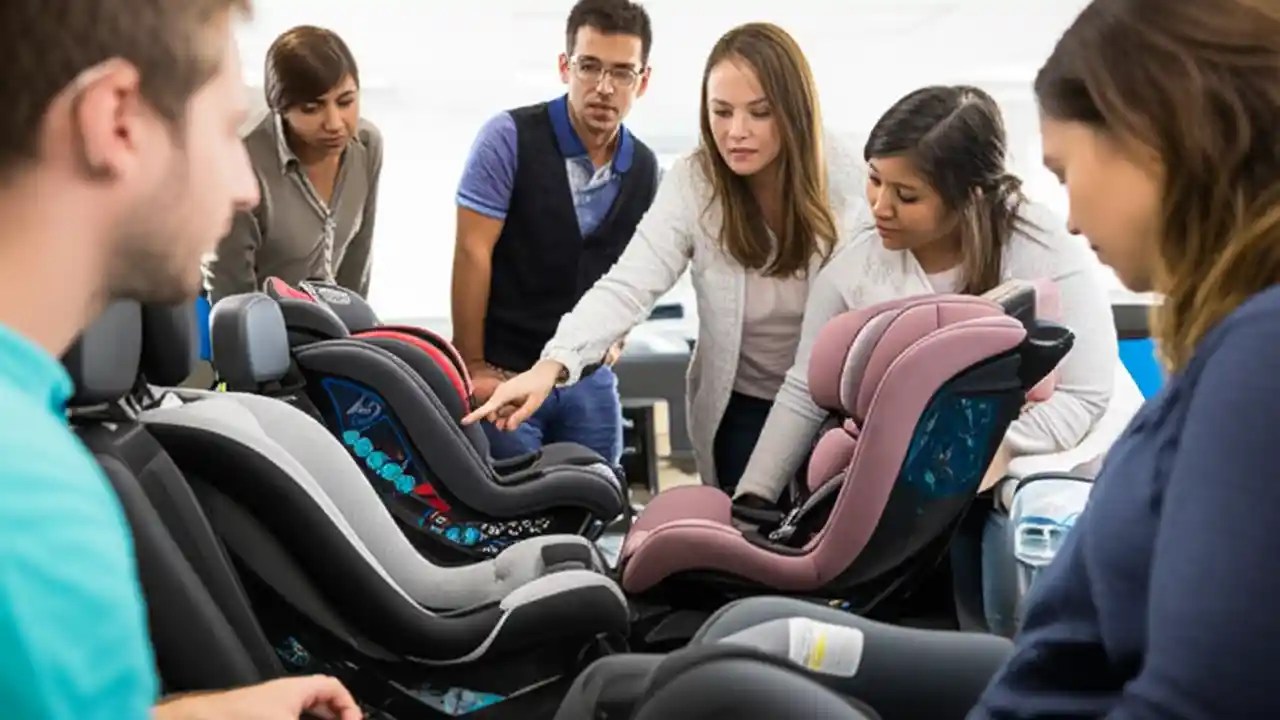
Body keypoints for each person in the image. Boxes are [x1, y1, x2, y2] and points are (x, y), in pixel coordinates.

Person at [0, 1, 359, 718]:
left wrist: (216, 711)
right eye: (225, 130)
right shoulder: (31, 501)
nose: (246, 186)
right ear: (117, 123)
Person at [971, 0, 1280, 715]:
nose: (1072, 218)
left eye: (1064, 170)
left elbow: (1199, 701)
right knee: (754, 642)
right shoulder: (1237, 338)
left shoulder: (1260, 354)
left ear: (1147, 132)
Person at [726, 85, 1118, 635]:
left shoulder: (1043, 251)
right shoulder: (860, 260)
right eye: (874, 179)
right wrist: (754, 496)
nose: (880, 207)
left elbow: (1086, 395)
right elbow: (804, 385)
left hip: (1028, 477)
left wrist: (991, 447)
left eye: (906, 195)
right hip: (912, 488)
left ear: (971, 197)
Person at [463, 21, 869, 493]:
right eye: (721, 112)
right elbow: (627, 285)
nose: (736, 132)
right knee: (744, 545)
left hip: (828, 409)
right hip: (740, 406)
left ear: (795, 114)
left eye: (759, 113)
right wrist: (550, 366)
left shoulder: (847, 181)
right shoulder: (696, 182)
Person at [450, 0, 658, 467]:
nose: (604, 88)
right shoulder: (508, 138)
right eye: (590, 67)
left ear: (642, 81)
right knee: (512, 508)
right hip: (505, 371)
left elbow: (636, 272)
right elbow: (471, 252)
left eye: (622, 72)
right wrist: (474, 365)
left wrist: (617, 338)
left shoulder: (644, 168)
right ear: (566, 67)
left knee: (598, 505)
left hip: (586, 380)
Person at [203, 24, 382, 305]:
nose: (335, 123)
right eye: (311, 109)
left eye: (346, 101)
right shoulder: (244, 165)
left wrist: (356, 339)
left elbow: (356, 267)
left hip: (330, 330)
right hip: (259, 328)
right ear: (280, 108)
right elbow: (232, 298)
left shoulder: (367, 145)